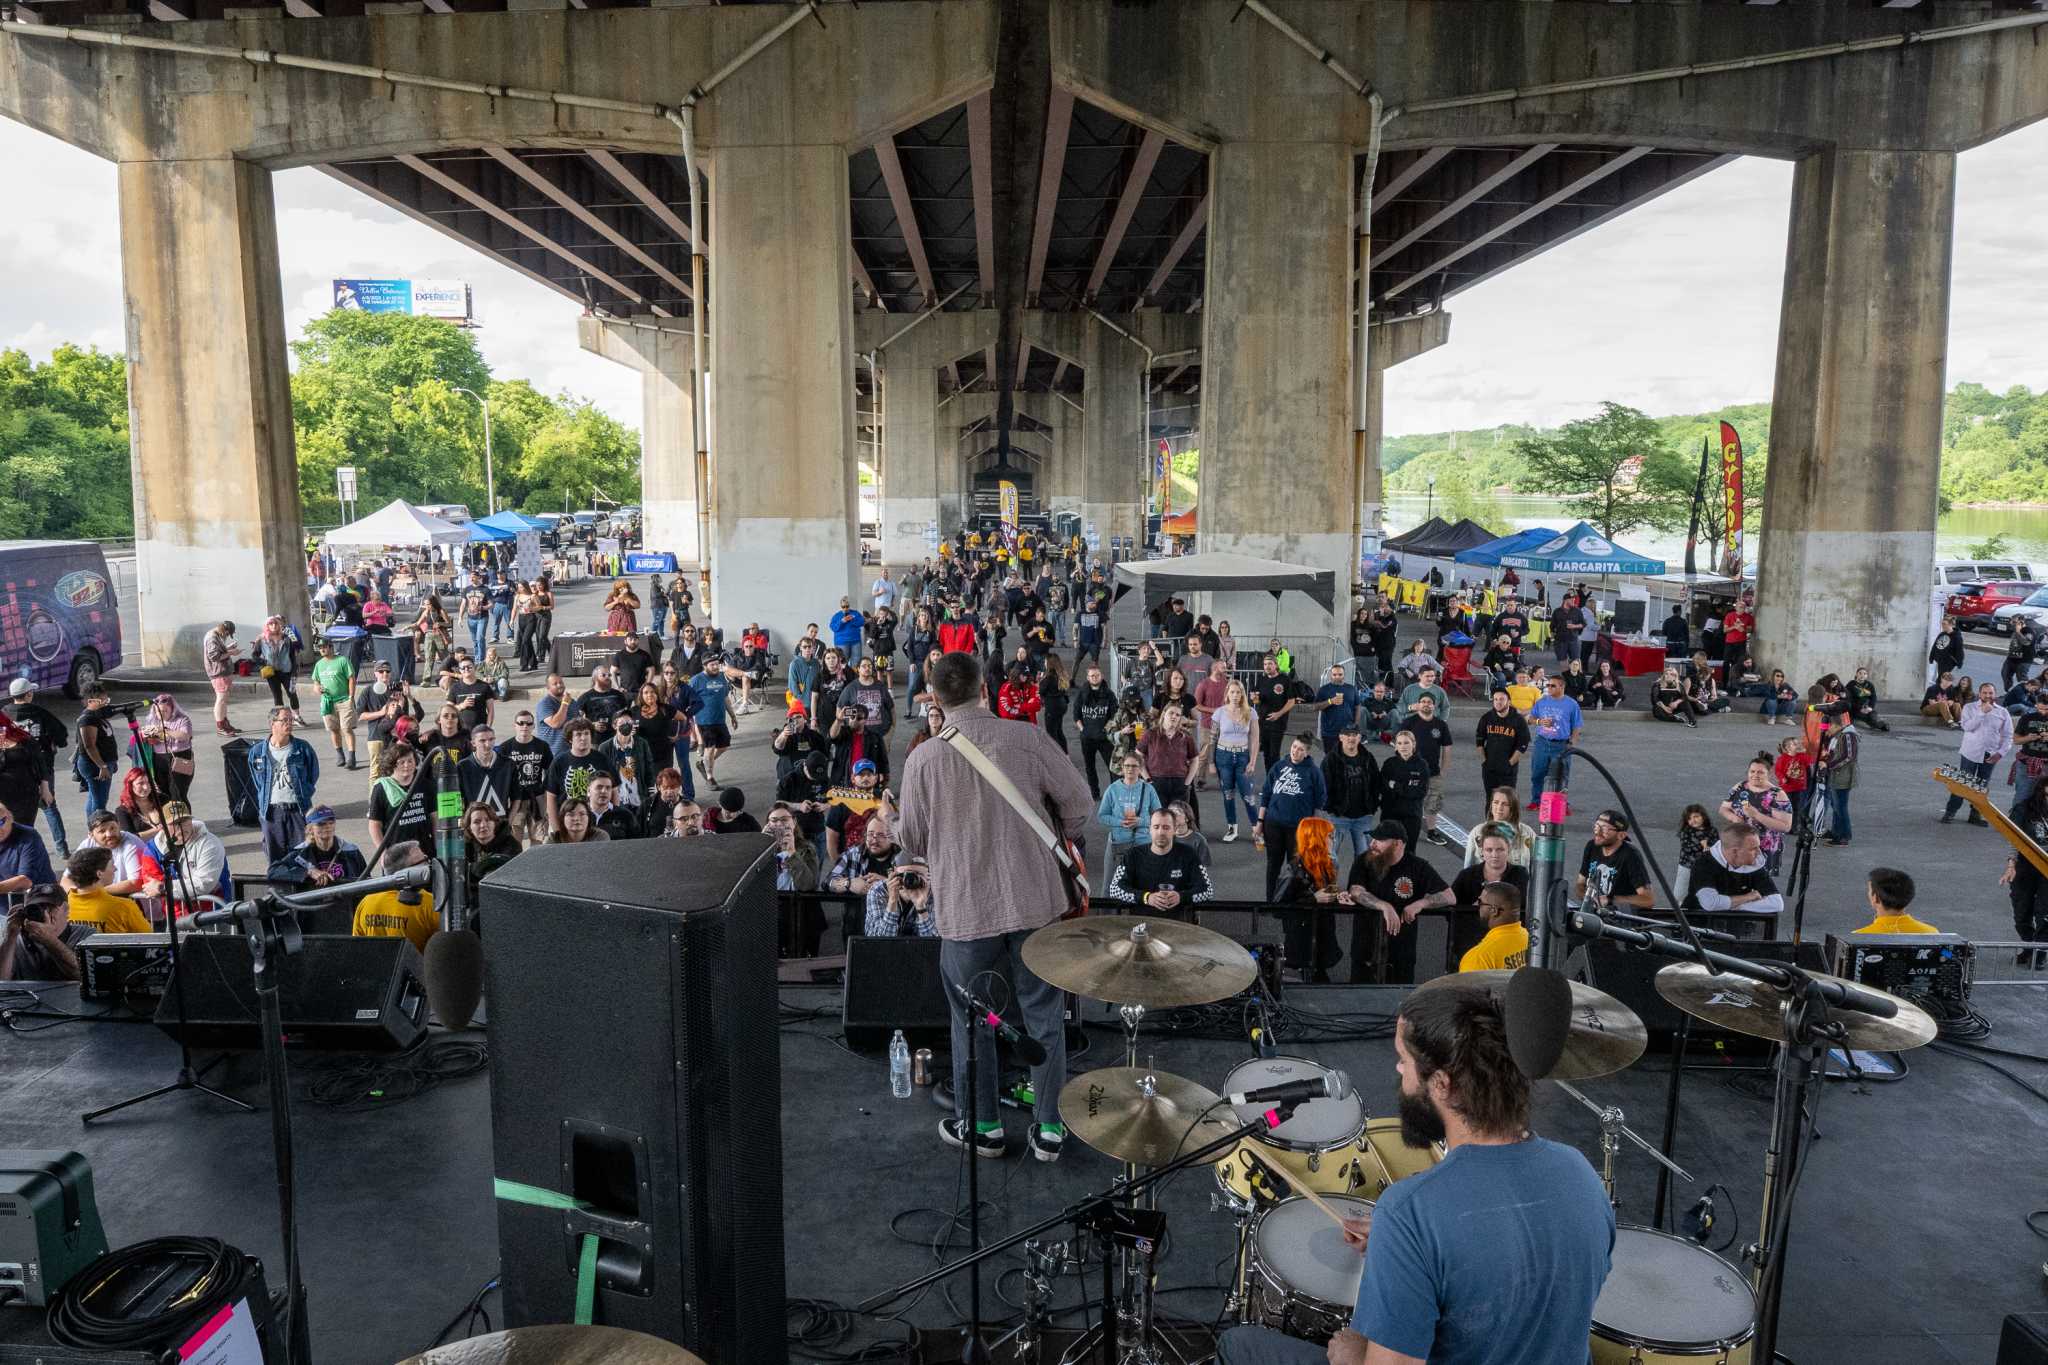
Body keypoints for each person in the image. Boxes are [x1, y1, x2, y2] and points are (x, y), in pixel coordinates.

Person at [896, 650, 1092, 1163]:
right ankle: (1049, 1129)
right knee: (1044, 1014)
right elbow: (1080, 807)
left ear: (936, 700)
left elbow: (912, 839)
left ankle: (982, 1127)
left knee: (973, 1019)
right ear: (986, 689)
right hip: (1036, 901)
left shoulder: (923, 759)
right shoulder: (1027, 738)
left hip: (966, 910)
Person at [1342, 822, 1454, 985]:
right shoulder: (1363, 861)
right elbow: (1356, 891)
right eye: (1373, 839)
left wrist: (1421, 903)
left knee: (1399, 994)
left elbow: (1449, 896)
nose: (1373, 844)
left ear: (1397, 843)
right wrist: (1384, 906)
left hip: (1402, 950)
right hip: (1365, 946)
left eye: (1380, 840)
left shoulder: (1418, 867)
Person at [1104, 807, 1214, 918]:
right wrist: (1146, 897)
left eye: (1166, 827)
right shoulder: (1132, 855)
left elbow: (1208, 890)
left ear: (1174, 829)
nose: (1161, 832)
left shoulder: (1189, 854)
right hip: (1142, 923)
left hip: (1178, 923)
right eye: (1156, 827)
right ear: (1149, 829)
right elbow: (1115, 889)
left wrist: (1181, 897)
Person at [1680, 823, 1784, 937]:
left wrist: (1734, 905)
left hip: (1733, 934)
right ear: (1735, 851)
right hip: (1697, 933)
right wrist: (1748, 897)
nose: (1759, 852)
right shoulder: (1704, 864)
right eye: (1753, 849)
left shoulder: (1755, 864)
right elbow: (1710, 903)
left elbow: (1777, 903)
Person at [1256, 735, 1327, 900]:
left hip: (1298, 829)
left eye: (1300, 749)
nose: (1295, 751)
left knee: (1295, 868)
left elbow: (1319, 803)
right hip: (1273, 824)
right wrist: (1259, 822)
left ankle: (1290, 902)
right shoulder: (1279, 766)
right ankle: (1270, 901)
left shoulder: (1314, 772)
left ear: (1307, 753)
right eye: (1294, 747)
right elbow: (1266, 795)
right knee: (1273, 865)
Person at [249, 706, 320, 864]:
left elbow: (313, 775)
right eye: (284, 720)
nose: (289, 723)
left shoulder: (302, 748)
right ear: (272, 724)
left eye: (291, 719)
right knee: (275, 857)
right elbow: (257, 780)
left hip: (298, 810)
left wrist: (304, 792)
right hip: (271, 812)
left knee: (303, 855)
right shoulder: (257, 751)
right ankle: (277, 881)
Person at [1942, 682, 2013, 825]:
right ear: (1979, 694)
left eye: (1990, 693)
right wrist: (1982, 713)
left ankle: (1975, 815)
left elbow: (2008, 735)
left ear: (1995, 694)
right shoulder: (1970, 708)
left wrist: (2000, 753)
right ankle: (1950, 812)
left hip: (1990, 754)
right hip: (1970, 752)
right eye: (1985, 693)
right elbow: (1967, 727)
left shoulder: (2002, 712)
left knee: (1982, 786)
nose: (1988, 695)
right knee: (1962, 783)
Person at [1999, 782, 2048, 967]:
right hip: (2026, 866)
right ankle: (2029, 946)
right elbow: (2014, 839)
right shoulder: (2024, 809)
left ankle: (2040, 953)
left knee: (2044, 913)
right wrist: (2011, 864)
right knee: (2021, 912)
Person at [1720, 754, 1794, 873]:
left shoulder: (1777, 795)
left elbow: (1786, 826)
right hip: (1739, 844)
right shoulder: (1740, 787)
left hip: (1763, 848)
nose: (1755, 775)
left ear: (1769, 774)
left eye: (1760, 772)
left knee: (1758, 882)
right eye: (1752, 771)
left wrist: (1756, 815)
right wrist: (1735, 818)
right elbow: (1723, 808)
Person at [1097, 753, 1161, 887]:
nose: (1130, 769)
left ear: (1140, 768)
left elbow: (1159, 817)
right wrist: (1119, 822)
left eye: (1134, 766)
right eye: (1127, 766)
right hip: (1119, 843)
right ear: (1122, 767)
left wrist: (1141, 821)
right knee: (1113, 884)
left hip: (1144, 843)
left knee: (1144, 883)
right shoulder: (1113, 789)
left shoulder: (1148, 789)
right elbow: (1102, 816)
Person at [1398, 694, 1454, 847]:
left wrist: (1443, 771)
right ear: (1418, 704)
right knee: (1409, 803)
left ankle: (1431, 832)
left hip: (1433, 772)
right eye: (1423, 701)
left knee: (1433, 803)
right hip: (1411, 771)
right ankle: (1403, 832)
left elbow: (1447, 748)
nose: (1426, 704)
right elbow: (1399, 746)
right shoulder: (1409, 723)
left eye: (1429, 702)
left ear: (1434, 706)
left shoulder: (1441, 725)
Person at [267, 805, 367, 890]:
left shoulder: (351, 851)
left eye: (331, 822)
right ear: (310, 829)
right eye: (321, 824)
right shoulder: (300, 853)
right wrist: (308, 872)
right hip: (312, 904)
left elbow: (366, 880)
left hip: (346, 903)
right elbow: (273, 871)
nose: (327, 826)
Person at [368, 744, 434, 869]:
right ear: (392, 764)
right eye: (401, 762)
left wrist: (439, 846)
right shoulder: (382, 788)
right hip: (396, 856)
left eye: (410, 761)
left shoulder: (425, 784)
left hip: (424, 853)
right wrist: (383, 853)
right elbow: (374, 825)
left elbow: (435, 818)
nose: (407, 765)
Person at [61, 845, 151, 936]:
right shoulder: (124, 907)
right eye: (111, 865)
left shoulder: (61, 906)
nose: (115, 869)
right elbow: (148, 937)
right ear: (99, 874)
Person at [1576, 809, 1654, 911]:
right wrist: (1588, 898)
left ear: (1621, 835)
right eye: (1597, 826)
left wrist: (1610, 900)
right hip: (1593, 911)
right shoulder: (1592, 846)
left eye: (1604, 829)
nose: (1597, 832)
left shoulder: (1630, 855)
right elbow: (1580, 883)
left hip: (1618, 916)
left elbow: (1648, 900)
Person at [1525, 673, 1582, 808]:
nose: (1549, 688)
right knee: (1537, 774)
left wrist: (1572, 744)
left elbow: (1577, 726)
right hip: (1541, 743)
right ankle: (1536, 801)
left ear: (1562, 687)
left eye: (1552, 686)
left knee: (1561, 776)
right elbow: (1529, 719)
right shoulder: (1542, 701)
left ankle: (1560, 805)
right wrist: (1539, 721)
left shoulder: (1572, 704)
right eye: (1548, 685)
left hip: (1561, 745)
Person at [135, 694, 197, 803]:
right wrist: (148, 737)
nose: (161, 714)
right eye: (158, 711)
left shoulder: (183, 719)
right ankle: (166, 813)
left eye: (165, 711)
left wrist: (165, 730)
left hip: (179, 757)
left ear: (172, 709)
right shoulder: (153, 721)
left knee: (178, 794)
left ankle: (183, 814)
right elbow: (147, 738)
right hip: (158, 758)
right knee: (162, 793)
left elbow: (185, 735)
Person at [1472, 687, 1528, 803]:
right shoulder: (1486, 718)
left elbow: (1522, 745)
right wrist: (1484, 761)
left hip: (1508, 769)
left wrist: (1510, 763)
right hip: (1489, 767)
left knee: (1507, 800)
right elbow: (1479, 741)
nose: (1498, 702)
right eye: (1496, 699)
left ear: (1509, 702)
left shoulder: (1518, 720)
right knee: (1490, 800)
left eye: (1502, 699)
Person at [1458, 882, 1529, 972]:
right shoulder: (1530, 938)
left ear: (1494, 910)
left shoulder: (1478, 958)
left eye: (1480, 902)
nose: (1476, 905)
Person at [353, 882, 439, 952]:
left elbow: (356, 946)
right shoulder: (430, 903)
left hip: (374, 967)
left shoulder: (366, 902)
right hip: (414, 967)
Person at [1461, 787, 1534, 867]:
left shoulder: (1527, 833)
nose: (1499, 808)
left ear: (1513, 808)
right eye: (1496, 802)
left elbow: (1538, 865)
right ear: (1491, 805)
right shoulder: (1477, 832)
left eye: (1505, 804)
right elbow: (1468, 866)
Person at [255, 616, 308, 726]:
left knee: (292, 693)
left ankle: (296, 716)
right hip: (271, 673)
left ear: (279, 625)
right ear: (267, 626)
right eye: (271, 624)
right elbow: (254, 655)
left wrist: (294, 671)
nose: (274, 626)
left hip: (287, 670)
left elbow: (293, 655)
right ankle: (281, 718)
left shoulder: (286, 638)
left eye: (276, 623)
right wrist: (263, 663)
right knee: (277, 695)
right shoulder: (262, 639)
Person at [1854, 867, 1937, 935]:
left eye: (1869, 890)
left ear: (1876, 898)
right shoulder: (1932, 933)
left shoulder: (1858, 937)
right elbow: (1944, 951)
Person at [1251, 655, 1298, 775]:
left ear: (1276, 665)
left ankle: (1275, 779)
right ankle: (1270, 778)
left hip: (1278, 722)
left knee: (1274, 754)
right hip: (1263, 722)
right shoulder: (1261, 680)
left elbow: (1291, 701)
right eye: (1265, 664)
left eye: (1270, 664)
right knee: (1266, 754)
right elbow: (1257, 700)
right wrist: (1254, 698)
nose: (1267, 666)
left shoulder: (1285, 680)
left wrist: (1278, 714)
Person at [1819, 708, 1859, 847]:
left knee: (1840, 806)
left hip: (1843, 776)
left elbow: (1849, 756)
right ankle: (1836, 831)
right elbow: (1831, 751)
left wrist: (1829, 765)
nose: (1826, 730)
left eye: (1828, 727)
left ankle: (1844, 835)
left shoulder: (1847, 735)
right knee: (1835, 804)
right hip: (1835, 775)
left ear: (1835, 725)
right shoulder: (1837, 735)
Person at [203, 620, 243, 737]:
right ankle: (221, 727)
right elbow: (214, 657)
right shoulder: (212, 638)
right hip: (218, 673)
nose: (227, 636)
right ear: (224, 630)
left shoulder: (215, 635)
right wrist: (231, 653)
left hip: (222, 672)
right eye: (227, 634)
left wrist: (228, 648)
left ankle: (225, 724)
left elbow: (217, 651)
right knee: (221, 699)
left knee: (223, 700)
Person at [1314, 663, 1360, 755]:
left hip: (1348, 730)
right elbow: (1315, 706)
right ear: (1330, 675)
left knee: (1347, 756)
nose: (1337, 677)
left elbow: (1357, 706)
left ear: (1344, 675)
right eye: (1334, 675)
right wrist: (1330, 701)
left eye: (1340, 674)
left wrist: (1356, 725)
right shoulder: (1324, 689)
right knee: (1330, 757)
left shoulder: (1351, 689)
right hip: (1329, 731)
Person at [1672, 803, 1715, 904]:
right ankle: (1680, 908)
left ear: (1703, 816)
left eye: (1696, 816)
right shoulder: (1686, 831)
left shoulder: (1712, 830)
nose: (1693, 820)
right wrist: (1703, 845)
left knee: (1703, 890)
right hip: (1687, 866)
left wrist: (1708, 847)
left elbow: (1716, 845)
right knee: (1681, 891)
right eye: (1689, 818)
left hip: (1705, 867)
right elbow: (1687, 848)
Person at [1929, 614, 1966, 679]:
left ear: (1950, 624)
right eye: (1942, 624)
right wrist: (1931, 657)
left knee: (1942, 679)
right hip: (1940, 660)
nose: (1942, 626)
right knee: (1940, 678)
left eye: (1944, 624)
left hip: (1949, 662)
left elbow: (1959, 651)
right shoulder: (1942, 634)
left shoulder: (1956, 637)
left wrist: (1960, 663)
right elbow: (1935, 646)